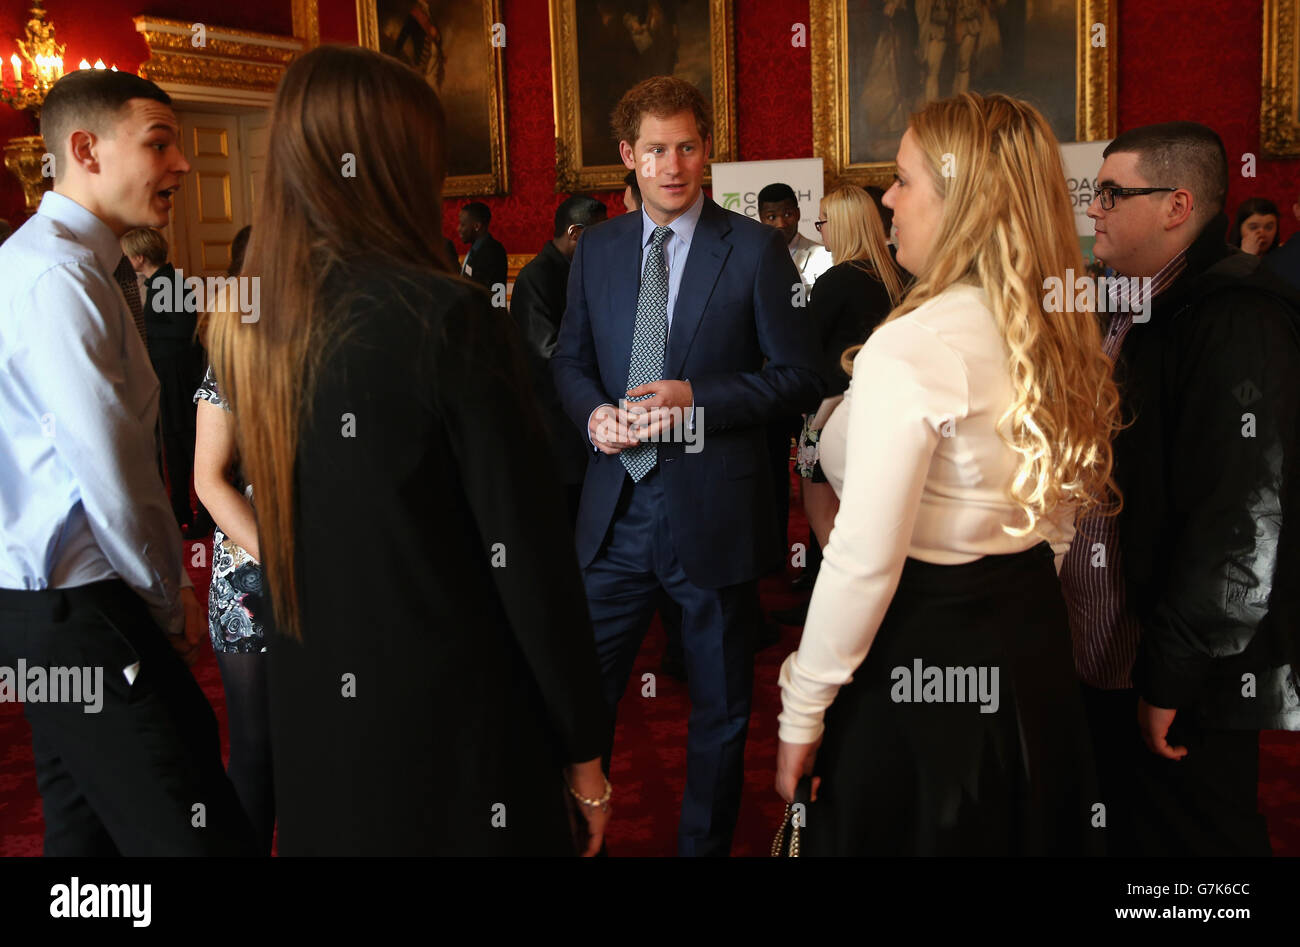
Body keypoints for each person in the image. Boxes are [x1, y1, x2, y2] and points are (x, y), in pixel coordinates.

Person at [207, 44, 611, 856]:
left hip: (320, 717)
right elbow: (526, 559)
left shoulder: (248, 325)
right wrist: (585, 754)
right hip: (452, 721)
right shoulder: (448, 317)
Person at [776, 92, 1120, 856]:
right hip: (1031, 635)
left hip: (921, 649)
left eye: (901, 181)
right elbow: (1060, 518)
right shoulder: (1055, 322)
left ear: (961, 198)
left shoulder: (918, 344)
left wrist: (801, 708)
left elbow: (865, 558)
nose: (887, 200)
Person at [552, 75, 824, 856]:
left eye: (688, 147)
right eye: (656, 150)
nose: (673, 165)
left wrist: (696, 397)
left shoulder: (756, 250)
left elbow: (798, 377)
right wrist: (592, 412)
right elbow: (568, 361)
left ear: (707, 151)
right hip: (614, 515)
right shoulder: (597, 249)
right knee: (578, 695)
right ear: (628, 157)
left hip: (714, 515)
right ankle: (577, 832)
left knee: (719, 709)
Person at [0, 67, 255, 856]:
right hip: (82, 607)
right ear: (85, 149)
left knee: (82, 833)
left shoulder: (61, 260)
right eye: (159, 143)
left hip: (54, 608)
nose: (182, 164)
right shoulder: (60, 274)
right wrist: (167, 594)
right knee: (195, 829)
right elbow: (110, 464)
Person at [1064, 121, 1300, 856]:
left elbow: (1239, 518)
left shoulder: (1234, 317)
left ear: (1177, 205)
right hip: (1123, 653)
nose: (1093, 209)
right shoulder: (1137, 302)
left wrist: (1173, 675)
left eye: (1110, 193)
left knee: (1197, 856)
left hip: (1188, 670)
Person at [776, 185, 904, 627]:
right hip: (884, 414)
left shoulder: (837, 280)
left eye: (823, 221)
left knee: (819, 509)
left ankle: (853, 605)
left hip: (828, 414)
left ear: (844, 225)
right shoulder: (898, 275)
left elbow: (806, 349)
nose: (819, 230)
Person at [192, 228, 274, 854]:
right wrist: (283, 561)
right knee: (255, 752)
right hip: (252, 579)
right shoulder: (234, 355)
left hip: (332, 573)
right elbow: (209, 481)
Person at [510, 195, 608, 520]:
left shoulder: (582, 270)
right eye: (598, 233)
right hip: (556, 420)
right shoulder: (535, 278)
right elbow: (547, 350)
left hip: (583, 410)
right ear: (576, 233)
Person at [122, 226, 209, 537]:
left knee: (183, 444)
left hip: (176, 378)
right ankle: (182, 511)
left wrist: (140, 330)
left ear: (140, 257)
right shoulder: (164, 282)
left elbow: (185, 330)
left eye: (128, 254)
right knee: (175, 445)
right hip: (170, 375)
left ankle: (199, 514)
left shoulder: (168, 284)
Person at [757, 182, 832, 288]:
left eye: (787, 214)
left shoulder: (823, 257)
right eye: (771, 217)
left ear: (798, 213)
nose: (781, 224)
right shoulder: (752, 259)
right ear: (761, 218)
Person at [457, 200, 507, 294]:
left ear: (477, 226)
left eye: (462, 224)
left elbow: (489, 296)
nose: (458, 229)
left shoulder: (492, 252)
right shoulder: (476, 250)